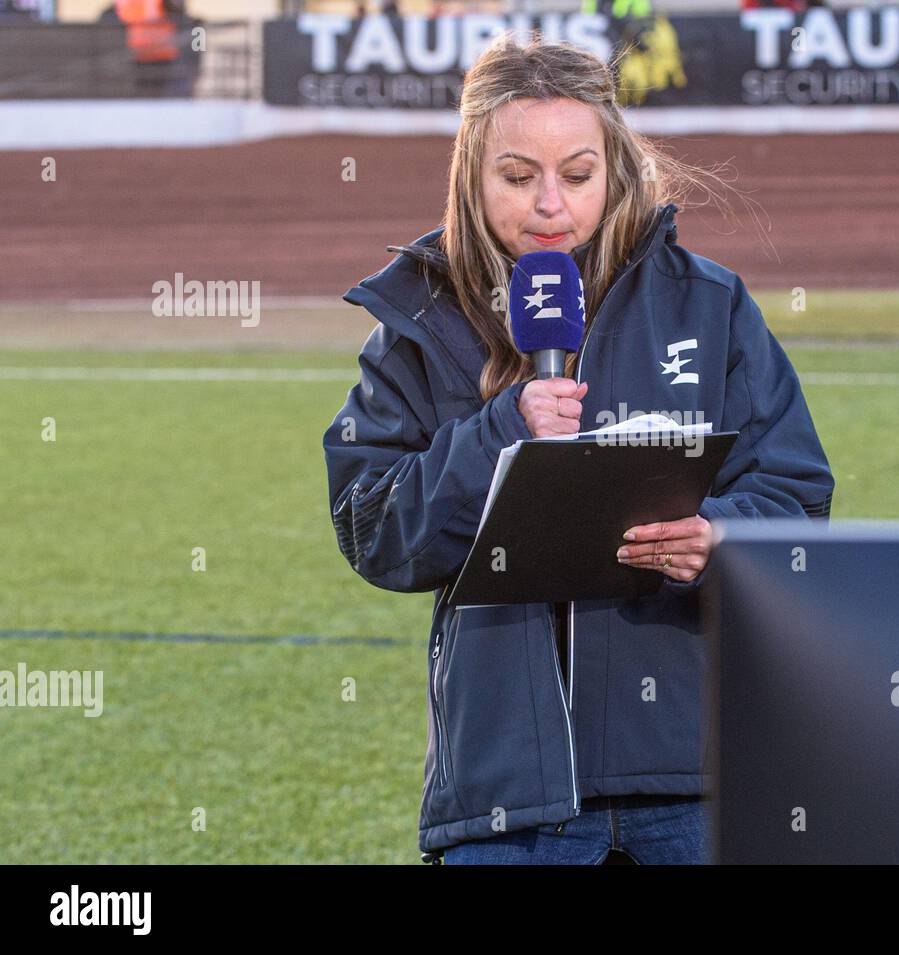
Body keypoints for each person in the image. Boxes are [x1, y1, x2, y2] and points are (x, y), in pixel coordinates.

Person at [323, 33, 834, 865]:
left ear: (617, 165)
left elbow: (797, 499)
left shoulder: (708, 304)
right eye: (518, 177)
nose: (549, 205)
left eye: (578, 174)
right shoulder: (418, 324)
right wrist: (501, 433)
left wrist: (718, 540)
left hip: (689, 784)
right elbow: (374, 529)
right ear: (470, 173)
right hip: (505, 805)